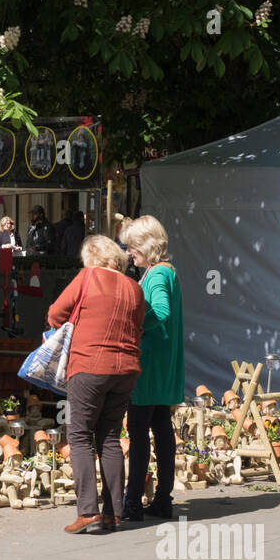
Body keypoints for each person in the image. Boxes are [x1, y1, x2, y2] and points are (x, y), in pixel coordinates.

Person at [46, 234, 145, 534]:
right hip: (126, 368)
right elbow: (140, 325)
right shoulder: (133, 287)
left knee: (78, 435)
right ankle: (113, 513)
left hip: (89, 365)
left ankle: (87, 511)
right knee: (111, 436)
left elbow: (54, 315)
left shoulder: (87, 277)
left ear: (92, 258)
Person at [119, 216, 184, 521]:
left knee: (139, 432)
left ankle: (132, 500)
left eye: (132, 245)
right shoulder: (167, 272)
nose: (128, 252)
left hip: (148, 365)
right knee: (162, 430)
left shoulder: (156, 275)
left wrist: (133, 325)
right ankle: (162, 498)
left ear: (145, 245)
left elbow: (160, 311)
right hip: (164, 362)